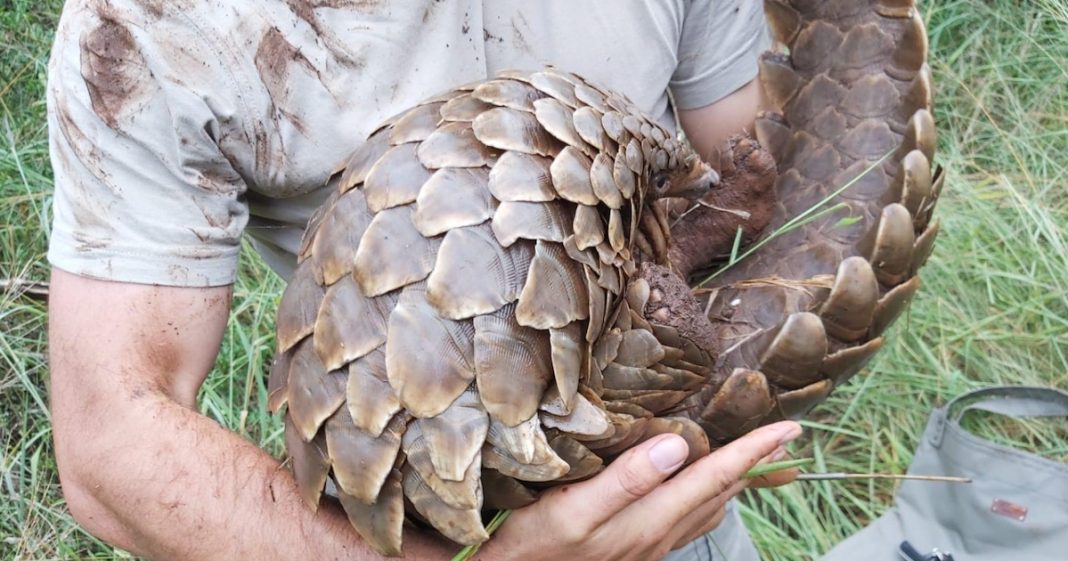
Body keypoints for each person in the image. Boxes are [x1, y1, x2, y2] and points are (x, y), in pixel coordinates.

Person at [46, 1, 801, 559]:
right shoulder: (149, 29)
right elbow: (113, 433)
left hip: (658, 453)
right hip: (409, 503)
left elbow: (751, 184)